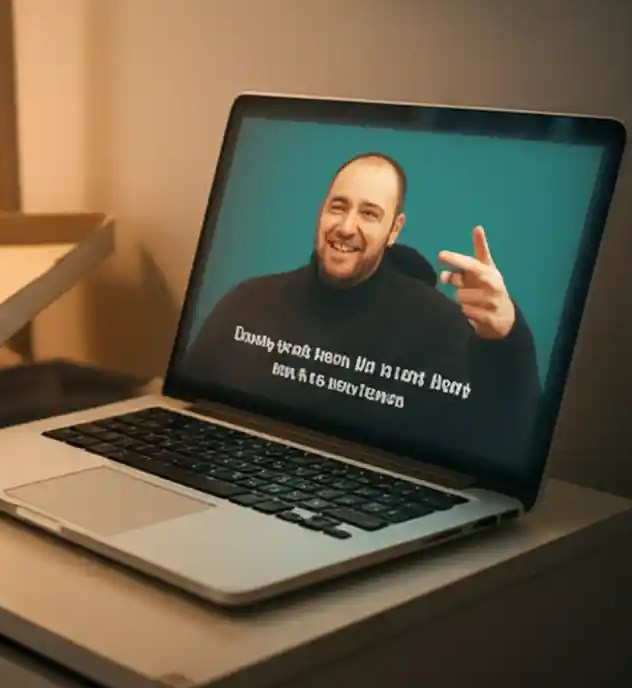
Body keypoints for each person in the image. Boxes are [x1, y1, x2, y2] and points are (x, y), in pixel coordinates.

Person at [183, 153, 541, 464]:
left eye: (369, 213)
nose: (346, 226)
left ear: (394, 229)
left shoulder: (442, 327)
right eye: (338, 207)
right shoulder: (247, 302)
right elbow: (185, 407)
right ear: (321, 210)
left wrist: (508, 335)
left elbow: (505, 446)